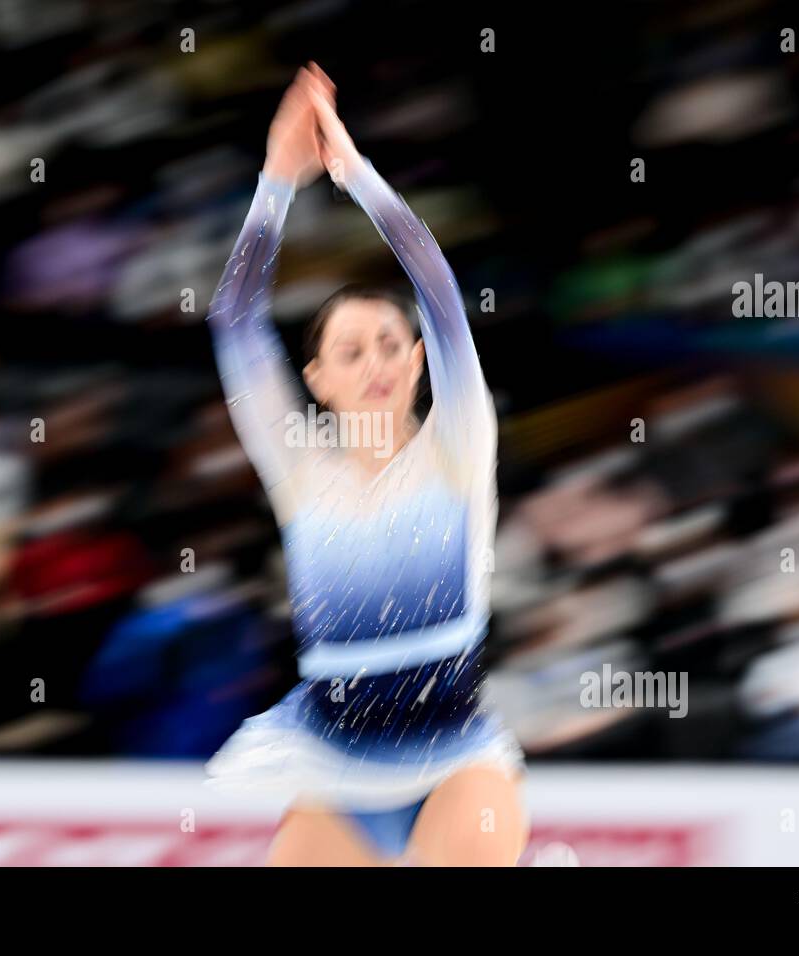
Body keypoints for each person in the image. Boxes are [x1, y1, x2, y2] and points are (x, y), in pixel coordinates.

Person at [203, 63, 528, 866]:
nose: (376, 361)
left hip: (455, 765)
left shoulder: (459, 447)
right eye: (350, 351)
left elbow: (440, 292)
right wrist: (277, 179)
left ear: (418, 362)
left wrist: (353, 173)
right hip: (334, 775)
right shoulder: (302, 472)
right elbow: (235, 322)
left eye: (390, 344)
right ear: (316, 381)